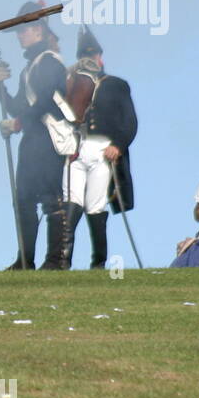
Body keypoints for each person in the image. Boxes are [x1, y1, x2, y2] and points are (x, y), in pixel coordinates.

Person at [0, 2, 69, 270]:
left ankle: (56, 260)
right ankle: (25, 260)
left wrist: (17, 123)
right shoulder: (32, 66)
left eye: (24, 31)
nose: (19, 36)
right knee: (24, 199)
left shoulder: (48, 62)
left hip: (46, 140)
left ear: (38, 30)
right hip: (33, 139)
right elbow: (18, 106)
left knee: (51, 199)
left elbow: (45, 101)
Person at [61, 26, 137, 268]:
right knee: (70, 201)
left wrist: (119, 145)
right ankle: (61, 259)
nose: (92, 60)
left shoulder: (116, 85)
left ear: (100, 58)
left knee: (95, 206)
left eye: (94, 56)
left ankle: (98, 262)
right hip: (76, 148)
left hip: (103, 151)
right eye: (86, 56)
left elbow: (130, 121)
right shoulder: (71, 84)